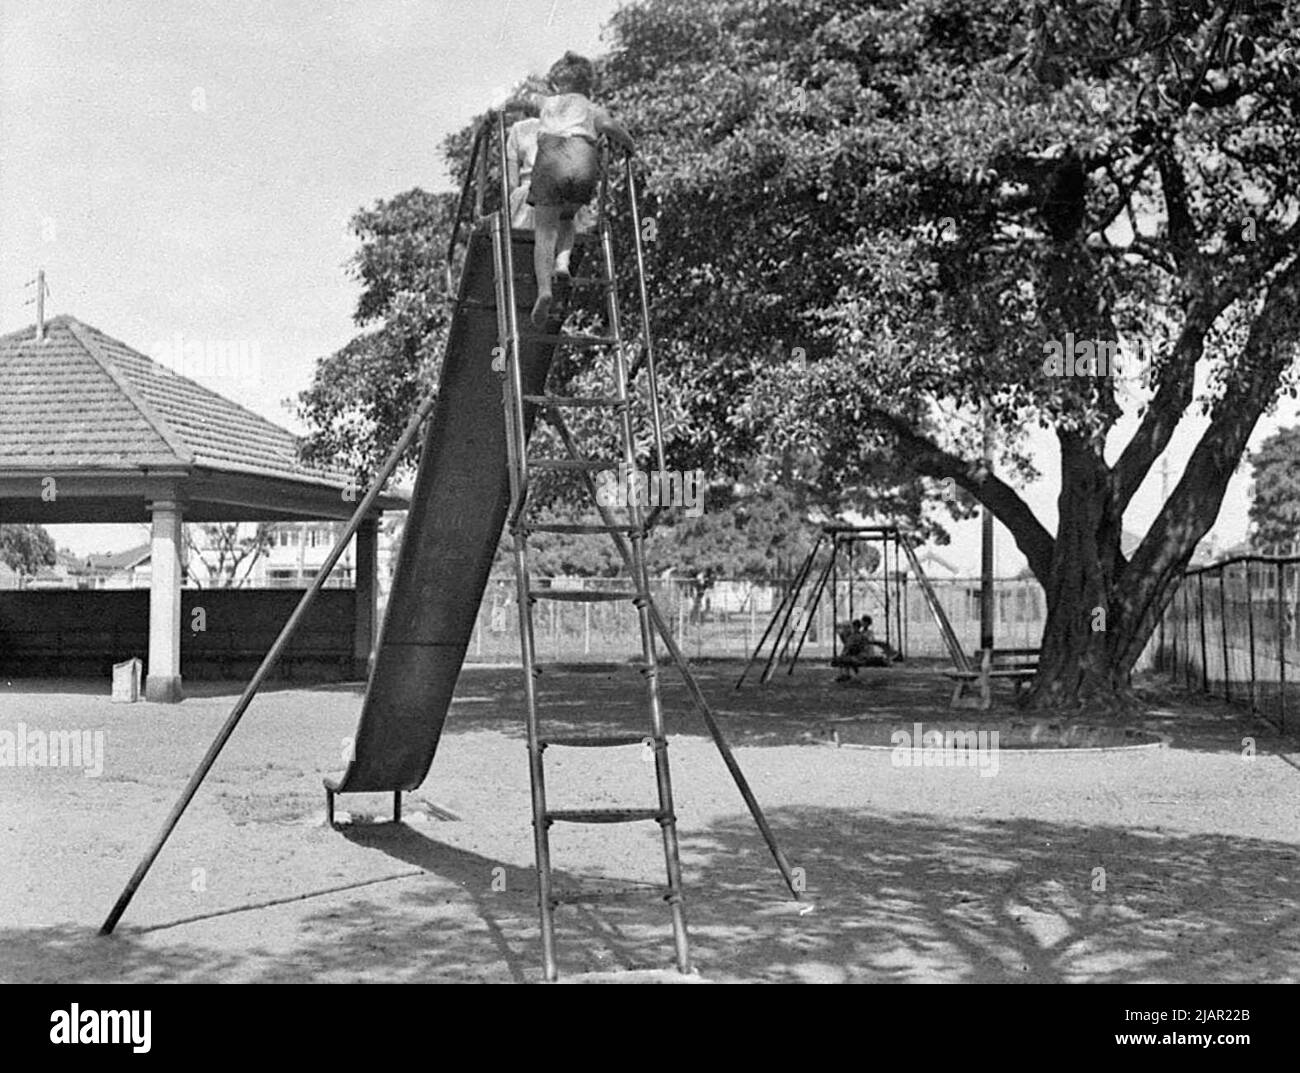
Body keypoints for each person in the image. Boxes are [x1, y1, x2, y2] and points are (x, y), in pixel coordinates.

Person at [526, 52, 634, 326]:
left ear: (558, 83)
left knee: (544, 230)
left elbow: (519, 102)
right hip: (583, 162)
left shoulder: (548, 102)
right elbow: (609, 126)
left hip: (552, 158)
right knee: (568, 217)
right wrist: (630, 144)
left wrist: (499, 110)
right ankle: (563, 262)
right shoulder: (592, 107)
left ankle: (545, 291)